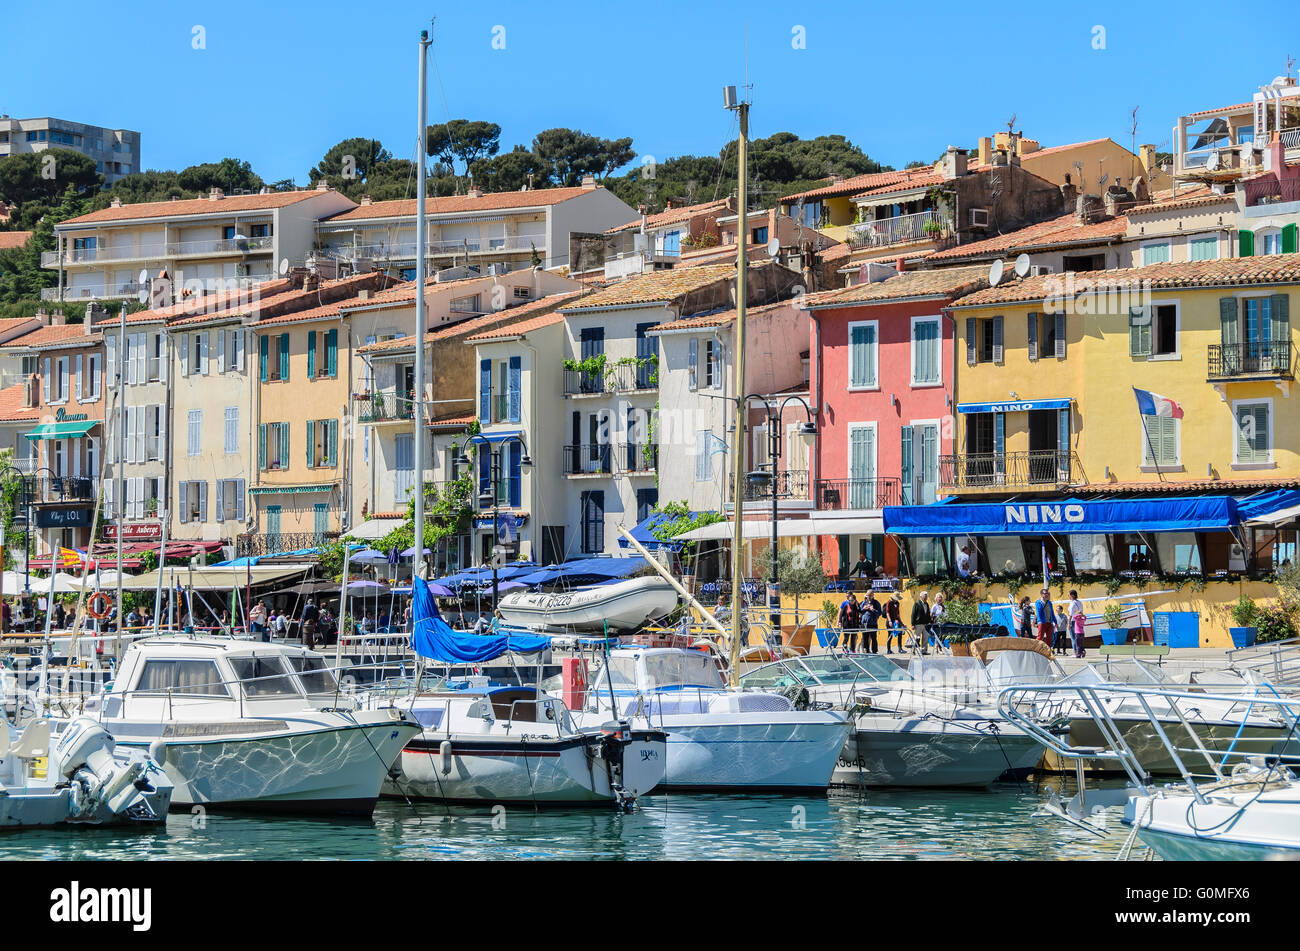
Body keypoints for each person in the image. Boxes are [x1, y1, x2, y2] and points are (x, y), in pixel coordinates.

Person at [910, 591, 932, 655]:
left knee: (926, 637)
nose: (925, 597)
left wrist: (929, 621)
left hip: (925, 624)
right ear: (921, 597)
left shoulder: (927, 604)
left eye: (926, 596)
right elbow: (913, 614)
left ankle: (924, 651)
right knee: (916, 637)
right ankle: (913, 650)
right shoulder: (916, 604)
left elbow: (927, 614)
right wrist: (913, 624)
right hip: (918, 624)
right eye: (924, 596)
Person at [1068, 589, 1087, 659]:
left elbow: (1071, 615)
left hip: (1073, 621)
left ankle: (1076, 652)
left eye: (1069, 595)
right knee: (1079, 640)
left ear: (1072, 595)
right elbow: (1082, 613)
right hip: (1080, 620)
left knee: (1074, 638)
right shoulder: (1079, 602)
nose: (1068, 596)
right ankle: (1081, 651)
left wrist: (1068, 623)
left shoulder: (1073, 603)